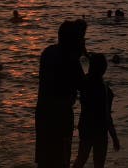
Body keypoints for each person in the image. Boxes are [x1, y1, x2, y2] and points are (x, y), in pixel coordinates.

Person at [36, 20, 85, 167]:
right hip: (61, 114)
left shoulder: (47, 52)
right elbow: (82, 85)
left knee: (44, 157)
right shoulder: (71, 59)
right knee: (62, 158)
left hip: (43, 111)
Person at [73, 53, 120, 168]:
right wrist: (114, 137)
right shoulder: (106, 91)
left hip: (85, 127)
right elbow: (107, 116)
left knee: (81, 159)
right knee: (98, 163)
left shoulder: (84, 84)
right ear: (104, 70)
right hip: (100, 130)